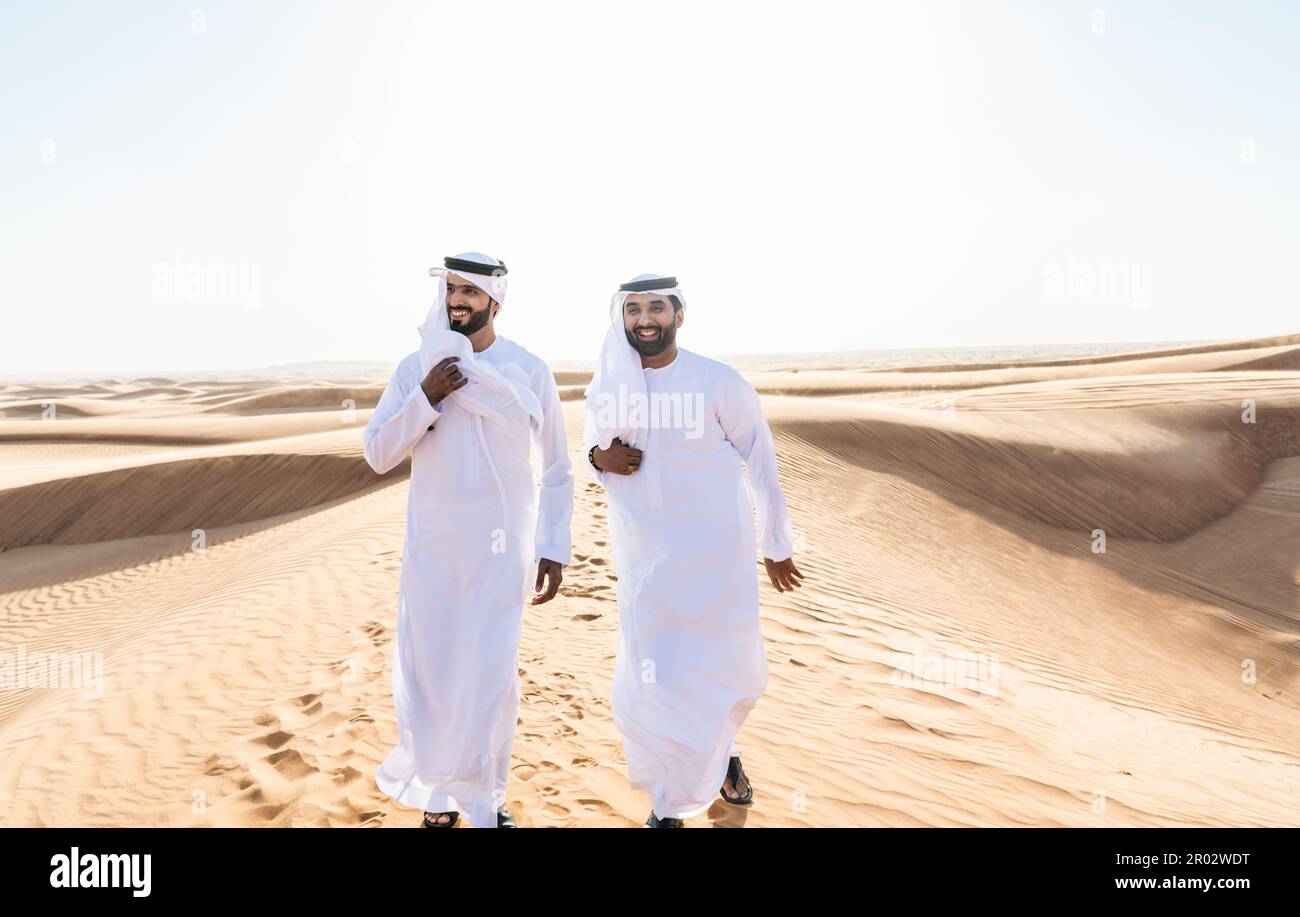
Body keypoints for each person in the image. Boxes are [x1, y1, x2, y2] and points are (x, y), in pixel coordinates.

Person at [583, 273, 804, 827]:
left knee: (722, 671)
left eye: (656, 308)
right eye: (633, 310)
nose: (644, 320)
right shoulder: (609, 386)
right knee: (655, 682)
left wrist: (775, 543)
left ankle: (723, 754)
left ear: (679, 315)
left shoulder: (717, 381)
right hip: (646, 563)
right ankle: (671, 801)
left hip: (716, 563)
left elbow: (762, 460)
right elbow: (591, 444)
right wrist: (598, 458)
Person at [364, 252, 573, 828]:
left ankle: (487, 801)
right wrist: (425, 398)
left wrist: (554, 545)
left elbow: (557, 465)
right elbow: (378, 453)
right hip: (433, 550)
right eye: (450, 290)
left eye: (469, 292)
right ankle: (439, 791)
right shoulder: (417, 368)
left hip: (503, 552)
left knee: (489, 676)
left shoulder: (529, 369)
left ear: (494, 302)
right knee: (432, 675)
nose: (456, 300)